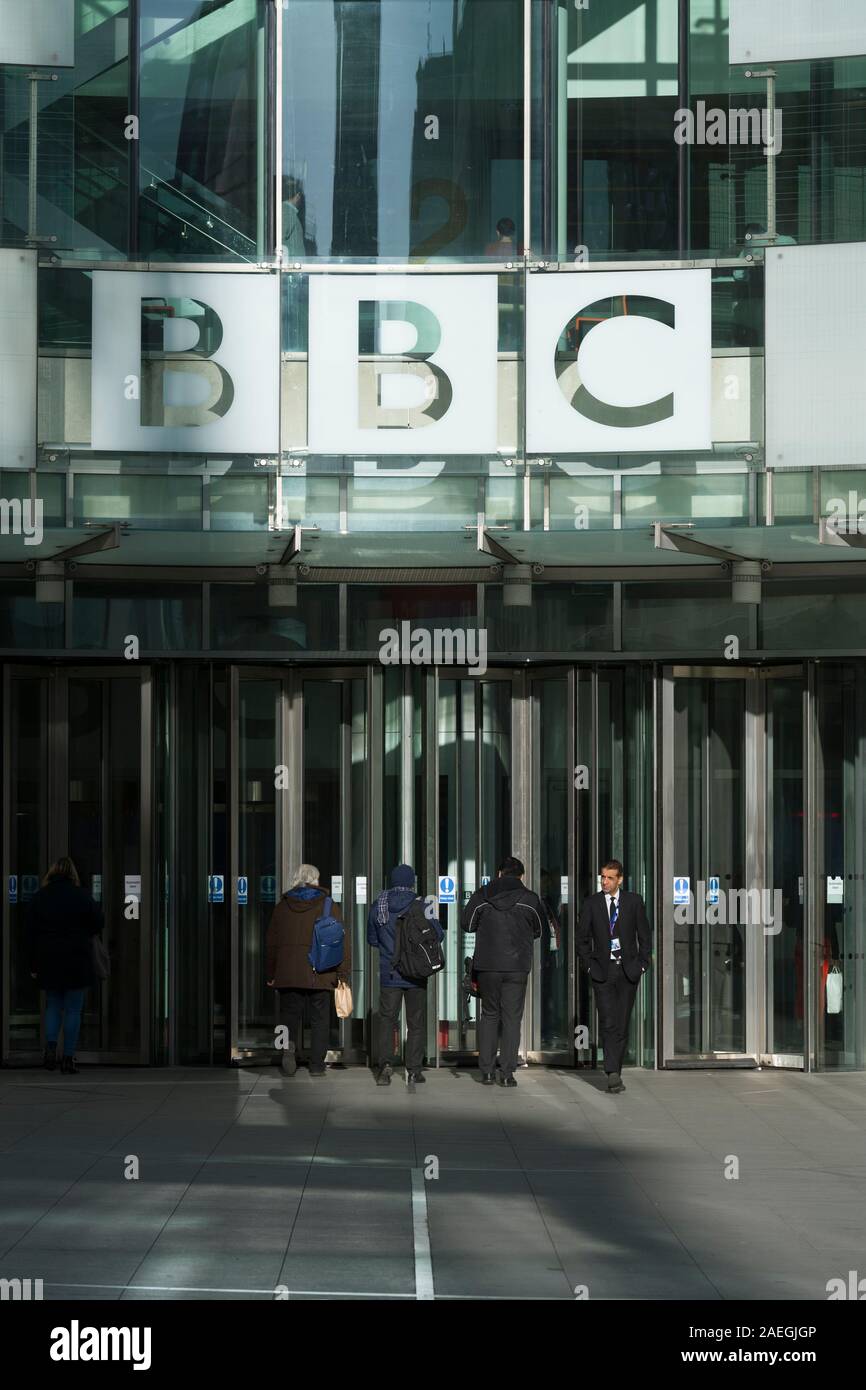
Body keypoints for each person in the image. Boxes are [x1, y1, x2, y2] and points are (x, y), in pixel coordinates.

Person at [462, 855, 544, 1087]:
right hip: (517, 967)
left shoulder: (483, 896)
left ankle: (487, 1072)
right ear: (521, 876)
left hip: (487, 966)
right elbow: (538, 930)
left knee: (489, 1015)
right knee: (511, 1019)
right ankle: (507, 1074)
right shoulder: (530, 899)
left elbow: (466, 924)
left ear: (499, 874)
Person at [266, 864, 350, 1077]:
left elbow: (272, 943)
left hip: (288, 973)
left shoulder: (282, 906)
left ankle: (287, 1050)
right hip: (320, 972)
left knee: (288, 1016)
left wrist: (272, 973)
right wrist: (342, 974)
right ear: (315, 881)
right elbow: (341, 942)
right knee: (320, 1019)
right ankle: (317, 1065)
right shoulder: (329, 905)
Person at [577, 860, 651, 1094]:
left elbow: (645, 936)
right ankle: (612, 1073)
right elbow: (582, 939)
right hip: (602, 971)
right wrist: (589, 965)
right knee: (608, 1022)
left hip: (627, 971)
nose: (605, 882)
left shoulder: (634, 902)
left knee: (621, 1022)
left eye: (609, 878)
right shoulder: (592, 903)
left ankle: (615, 1070)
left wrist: (641, 965)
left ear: (620, 879)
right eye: (602, 877)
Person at [367, 864, 443, 1086]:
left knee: (387, 1020)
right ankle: (414, 1070)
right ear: (412, 882)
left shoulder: (379, 904)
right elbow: (438, 934)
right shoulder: (424, 904)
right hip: (417, 974)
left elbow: (372, 939)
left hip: (390, 973)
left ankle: (385, 1066)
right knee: (416, 1023)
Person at [27, 856, 104, 1075]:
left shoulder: (40, 897)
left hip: (48, 958)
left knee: (53, 1005)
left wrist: (32, 963)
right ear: (73, 875)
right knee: (73, 1009)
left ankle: (51, 1049)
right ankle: (68, 1058)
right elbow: (99, 922)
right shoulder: (82, 896)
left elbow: (29, 933)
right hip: (77, 958)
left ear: (51, 873)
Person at [281, 176, 307, 260]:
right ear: (297, 196)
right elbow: (280, 238)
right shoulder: (287, 211)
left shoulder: (288, 211)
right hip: (291, 266)